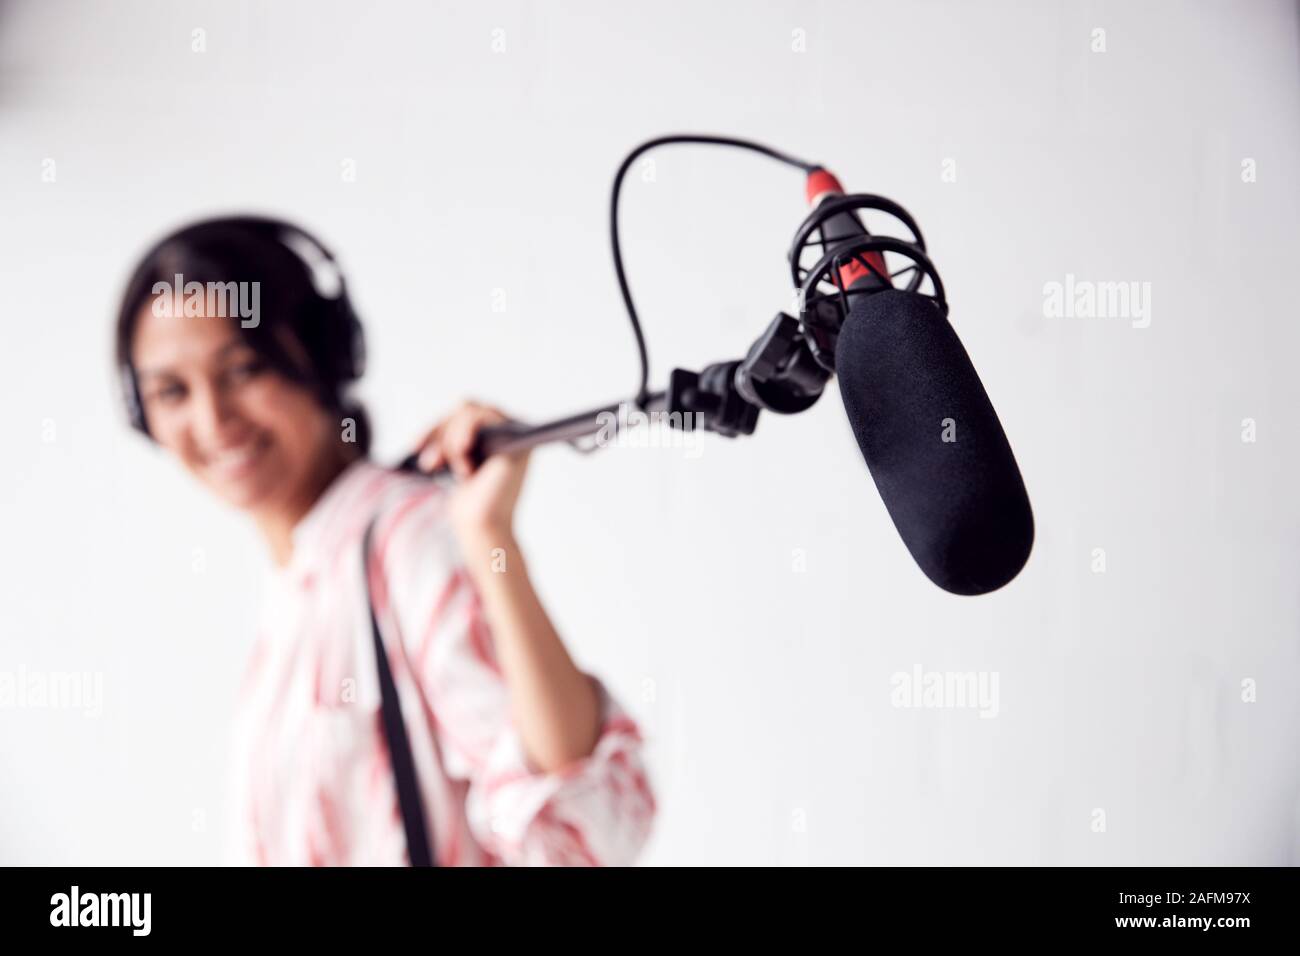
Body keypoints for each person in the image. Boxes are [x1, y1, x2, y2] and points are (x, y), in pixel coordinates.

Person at [114, 217, 656, 866]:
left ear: (321, 354)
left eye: (243, 369)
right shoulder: (299, 585)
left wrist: (489, 538)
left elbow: (583, 835)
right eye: (171, 391)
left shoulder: (408, 541)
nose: (213, 421)